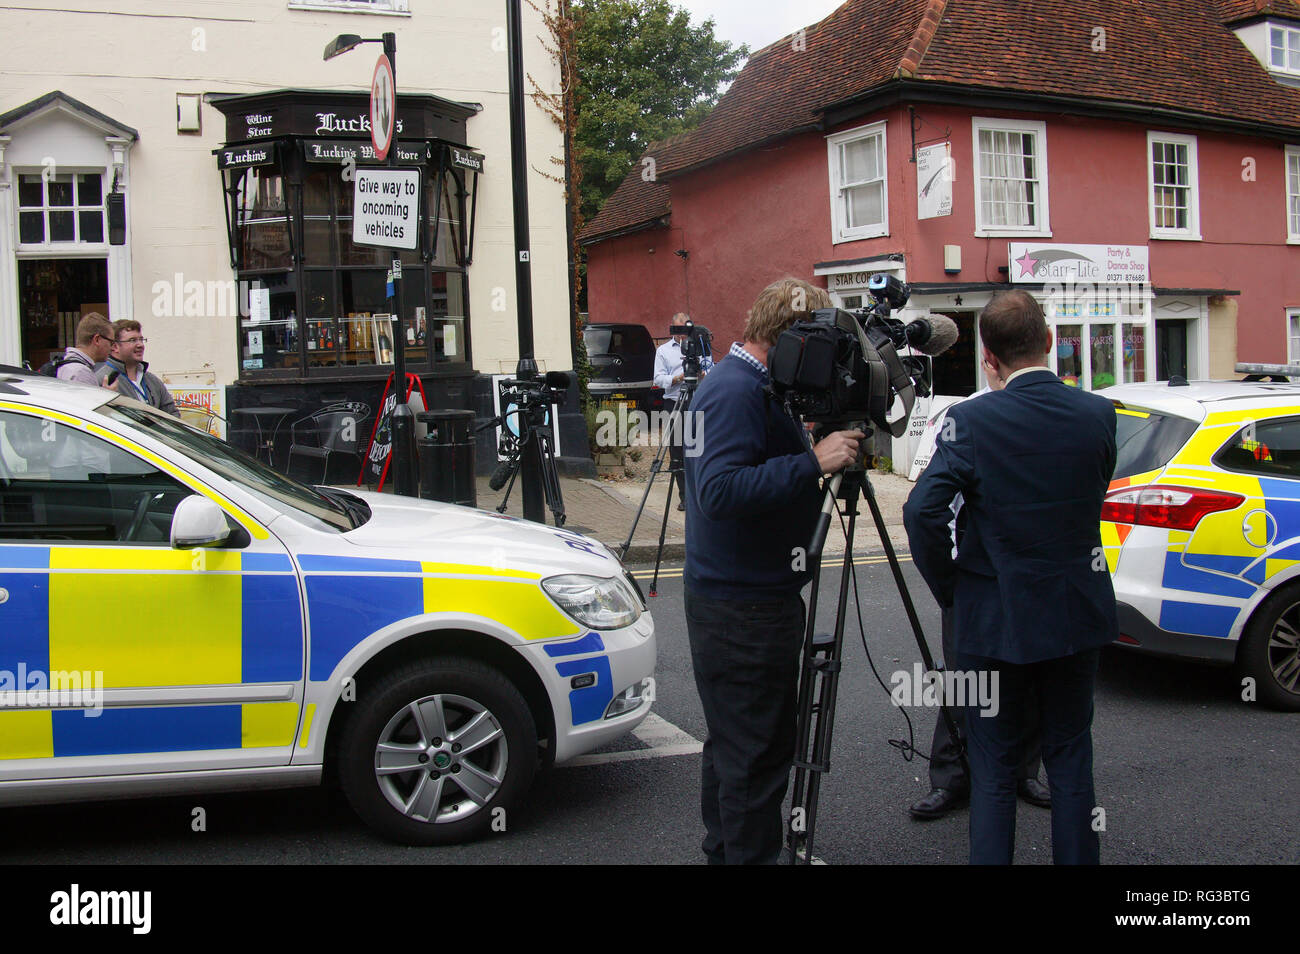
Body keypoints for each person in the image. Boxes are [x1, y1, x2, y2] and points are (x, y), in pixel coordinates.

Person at [903, 290, 1117, 865]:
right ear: (1049, 342)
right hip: (1075, 610)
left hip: (994, 615)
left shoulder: (970, 421)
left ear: (987, 357)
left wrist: (953, 586)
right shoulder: (1099, 413)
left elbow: (921, 512)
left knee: (994, 767)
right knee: (1071, 756)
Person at [683, 278, 864, 865]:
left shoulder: (750, 387)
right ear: (792, 342)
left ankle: (726, 853)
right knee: (755, 758)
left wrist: (806, 446)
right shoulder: (733, 391)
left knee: (736, 751)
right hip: (743, 612)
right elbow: (717, 491)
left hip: (744, 603)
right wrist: (812, 461)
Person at [909, 357, 1051, 819]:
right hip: (975, 573)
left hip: (1034, 571)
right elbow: (932, 504)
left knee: (1030, 674)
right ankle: (952, 777)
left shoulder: (1055, 412)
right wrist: (950, 578)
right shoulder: (965, 416)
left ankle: (1022, 770)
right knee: (963, 680)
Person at [654, 314, 713, 509]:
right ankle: (684, 497)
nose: (682, 335)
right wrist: (678, 378)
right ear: (672, 328)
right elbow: (658, 379)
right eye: (678, 330)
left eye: (685, 330)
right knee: (677, 450)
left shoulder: (701, 345)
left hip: (697, 401)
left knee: (699, 448)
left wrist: (704, 374)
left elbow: (710, 369)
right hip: (674, 402)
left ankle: (700, 494)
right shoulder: (663, 351)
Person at [97, 319, 180, 416]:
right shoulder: (102, 380)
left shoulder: (152, 380)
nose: (140, 345)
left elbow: (172, 414)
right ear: (115, 347)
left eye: (141, 339)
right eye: (132, 340)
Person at [56, 313, 115, 386]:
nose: (112, 348)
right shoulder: (81, 373)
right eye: (111, 343)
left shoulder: (67, 366)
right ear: (97, 340)